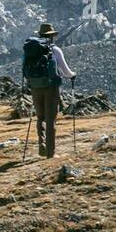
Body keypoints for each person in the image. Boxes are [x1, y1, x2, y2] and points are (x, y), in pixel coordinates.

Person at [21, 22, 76, 159]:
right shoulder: (55, 50)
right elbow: (65, 71)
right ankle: (50, 154)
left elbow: (24, 68)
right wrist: (73, 75)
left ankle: (42, 144)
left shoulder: (30, 50)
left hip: (35, 87)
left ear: (40, 35)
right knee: (51, 119)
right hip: (51, 88)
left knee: (40, 117)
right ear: (51, 36)